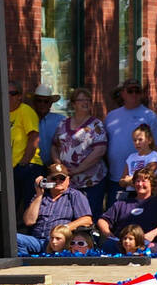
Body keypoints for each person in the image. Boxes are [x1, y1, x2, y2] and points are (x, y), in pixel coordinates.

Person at [103, 78, 157, 203]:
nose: (134, 94)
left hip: (143, 184)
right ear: (123, 93)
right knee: (115, 213)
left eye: (137, 91)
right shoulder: (111, 116)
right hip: (116, 179)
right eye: (130, 91)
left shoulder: (150, 116)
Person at [50, 87, 109, 216]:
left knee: (89, 216)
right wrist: (60, 167)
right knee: (69, 215)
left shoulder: (96, 125)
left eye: (88, 100)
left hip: (91, 182)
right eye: (81, 100)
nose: (85, 102)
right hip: (67, 182)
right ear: (73, 104)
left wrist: (77, 169)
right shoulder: (63, 123)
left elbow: (99, 151)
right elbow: (54, 146)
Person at [15, 162, 93, 255]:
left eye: (62, 178)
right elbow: (29, 221)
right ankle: (27, 262)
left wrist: (64, 229)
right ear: (47, 180)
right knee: (15, 239)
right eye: (54, 178)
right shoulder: (40, 196)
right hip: (37, 240)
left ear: (68, 180)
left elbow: (87, 220)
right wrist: (39, 194)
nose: (58, 181)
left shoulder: (75, 195)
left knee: (55, 239)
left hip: (59, 240)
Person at [95, 169, 157, 248]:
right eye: (137, 181)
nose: (140, 184)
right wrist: (108, 234)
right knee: (108, 246)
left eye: (144, 181)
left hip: (148, 246)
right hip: (122, 245)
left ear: (152, 184)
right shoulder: (121, 204)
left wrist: (153, 233)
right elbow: (102, 220)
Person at [9, 81, 42, 211]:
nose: (9, 96)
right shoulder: (4, 112)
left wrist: (24, 163)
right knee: (12, 206)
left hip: (28, 166)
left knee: (29, 205)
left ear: (19, 96)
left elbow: (34, 137)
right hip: (12, 168)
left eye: (12, 93)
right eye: (6, 93)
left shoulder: (25, 111)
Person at [118, 123, 157, 192]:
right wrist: (129, 181)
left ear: (149, 140)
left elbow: (144, 178)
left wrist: (128, 180)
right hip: (129, 194)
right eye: (134, 140)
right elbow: (121, 182)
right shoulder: (131, 157)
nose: (137, 143)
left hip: (145, 194)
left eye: (140, 139)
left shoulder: (154, 156)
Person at [31, 85, 65, 168]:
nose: (42, 104)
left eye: (46, 101)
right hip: (32, 167)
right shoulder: (27, 119)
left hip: (55, 167)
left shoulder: (61, 120)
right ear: (34, 102)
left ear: (50, 103)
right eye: (39, 101)